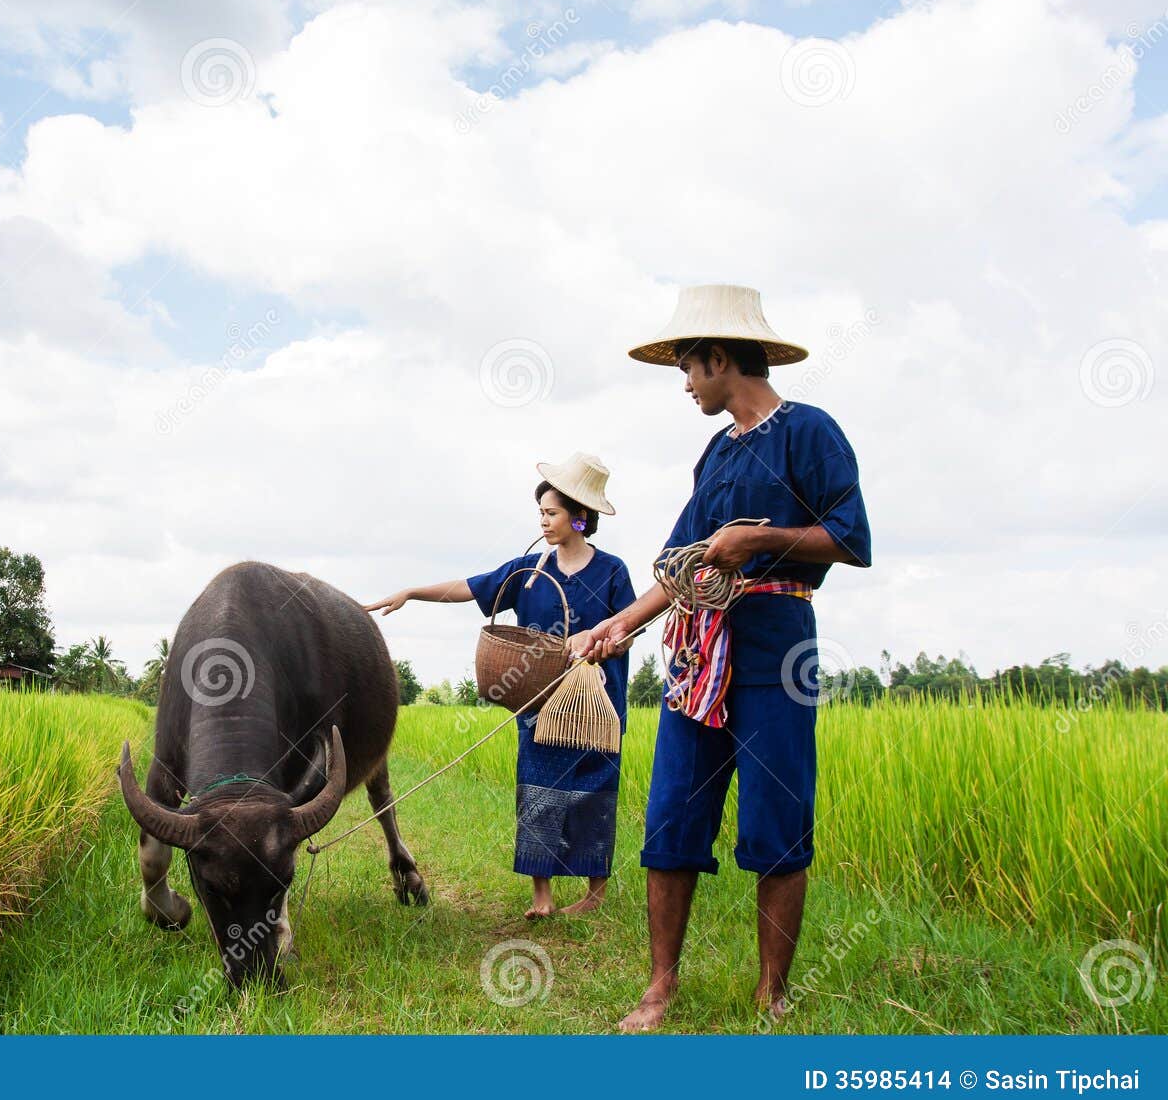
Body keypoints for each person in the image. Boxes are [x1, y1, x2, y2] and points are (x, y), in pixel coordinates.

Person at [574, 284, 872, 1030]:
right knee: (672, 811)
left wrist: (759, 539)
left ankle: (772, 990)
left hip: (777, 646)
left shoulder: (810, 431)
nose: (684, 384)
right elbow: (682, 566)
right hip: (699, 652)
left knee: (778, 816)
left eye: (687, 367)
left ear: (717, 358)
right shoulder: (715, 452)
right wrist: (617, 625)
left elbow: (851, 538)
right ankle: (659, 986)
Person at [364, 452, 636, 919]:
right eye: (541, 513)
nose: (544, 521)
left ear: (580, 517)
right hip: (540, 706)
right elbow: (470, 587)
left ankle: (594, 894)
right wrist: (412, 592)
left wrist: (605, 642)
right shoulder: (528, 572)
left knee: (594, 795)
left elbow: (629, 627)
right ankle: (542, 895)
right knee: (537, 793)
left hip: (597, 706)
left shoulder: (612, 571)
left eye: (552, 513)